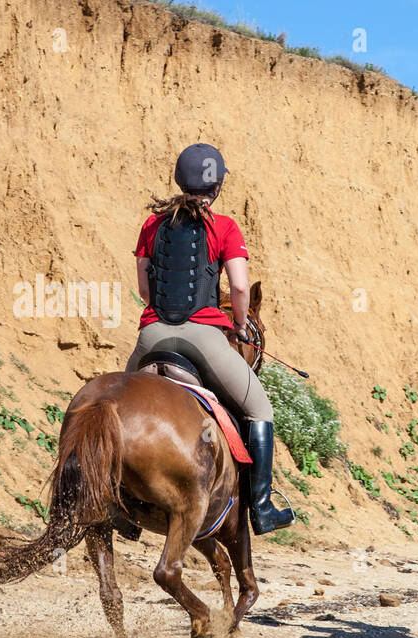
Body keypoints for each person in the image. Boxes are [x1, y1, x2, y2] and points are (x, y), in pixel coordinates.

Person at [125, 143, 293, 534]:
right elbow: (238, 286)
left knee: (122, 406)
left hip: (151, 337)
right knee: (259, 409)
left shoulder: (151, 226)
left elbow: (145, 290)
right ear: (216, 187)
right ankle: (264, 506)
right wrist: (236, 324)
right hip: (203, 336)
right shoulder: (225, 227)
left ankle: (120, 504)